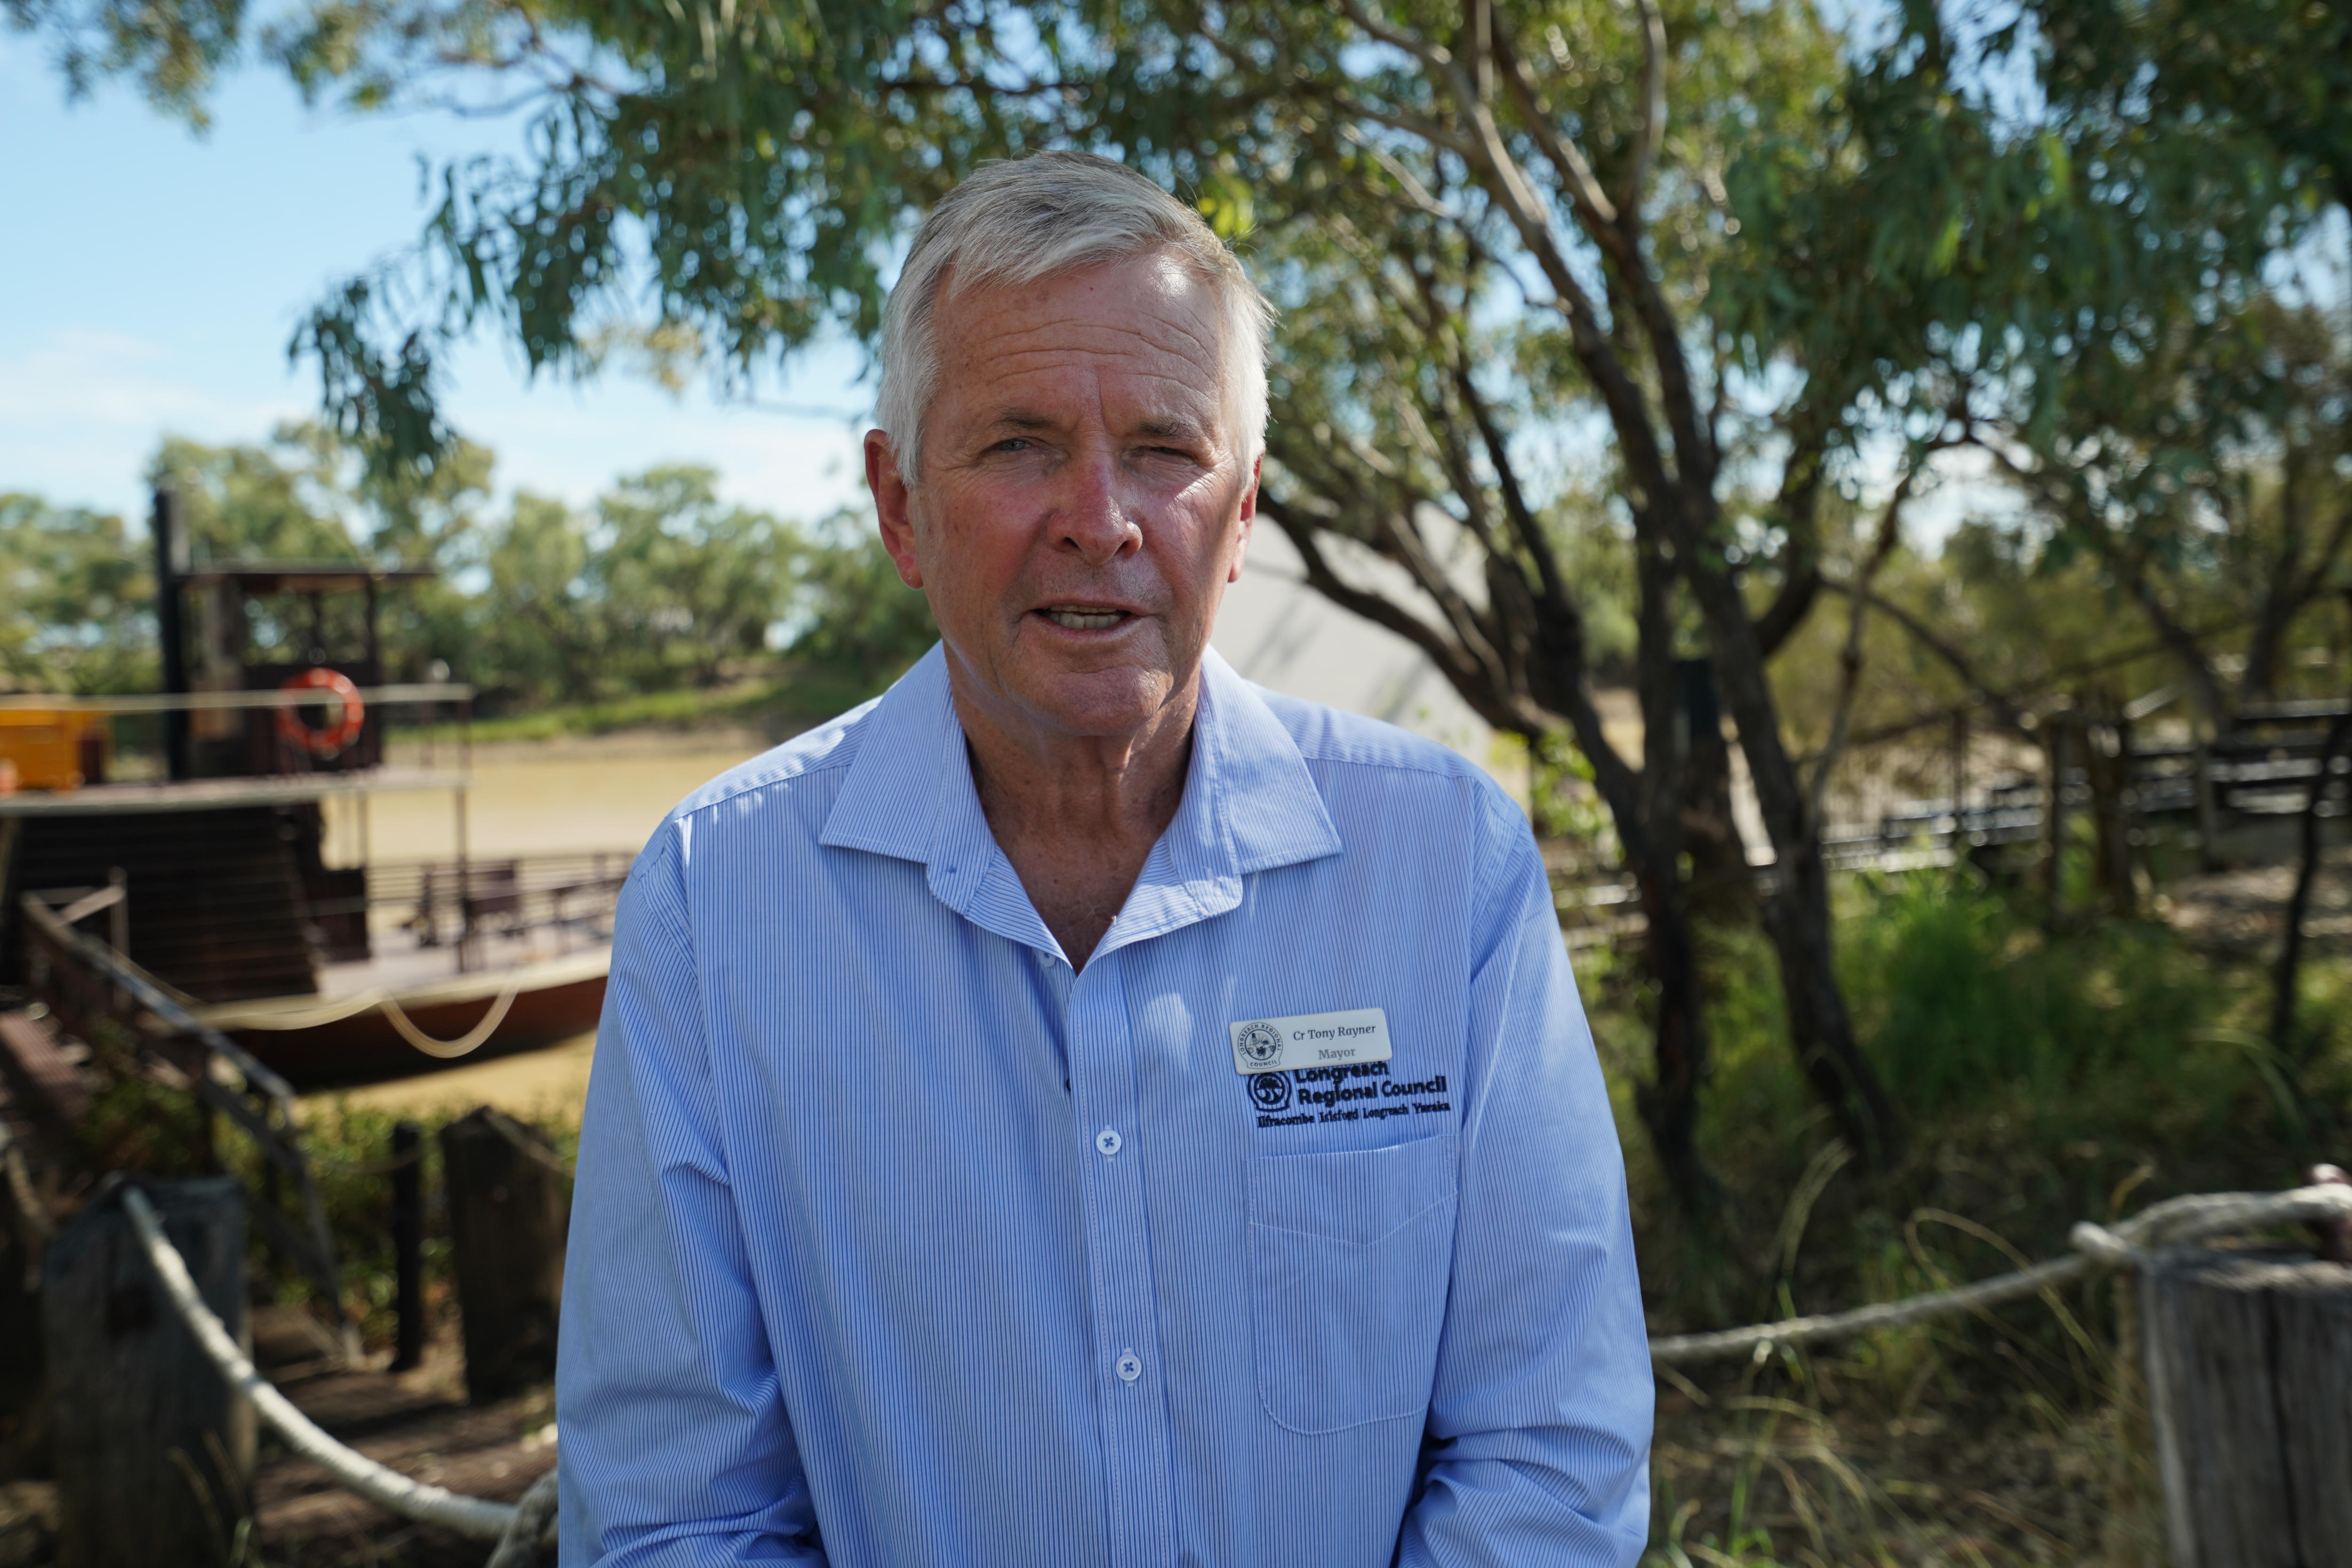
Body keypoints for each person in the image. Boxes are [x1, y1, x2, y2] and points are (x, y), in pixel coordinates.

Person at [556, 150, 1653, 1567]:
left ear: (1242, 511)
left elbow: (1552, 1453)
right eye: (1017, 443)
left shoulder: (1445, 866)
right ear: (899, 507)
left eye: (1162, 448)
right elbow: (672, 1517)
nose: (1101, 517)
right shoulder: (719, 898)